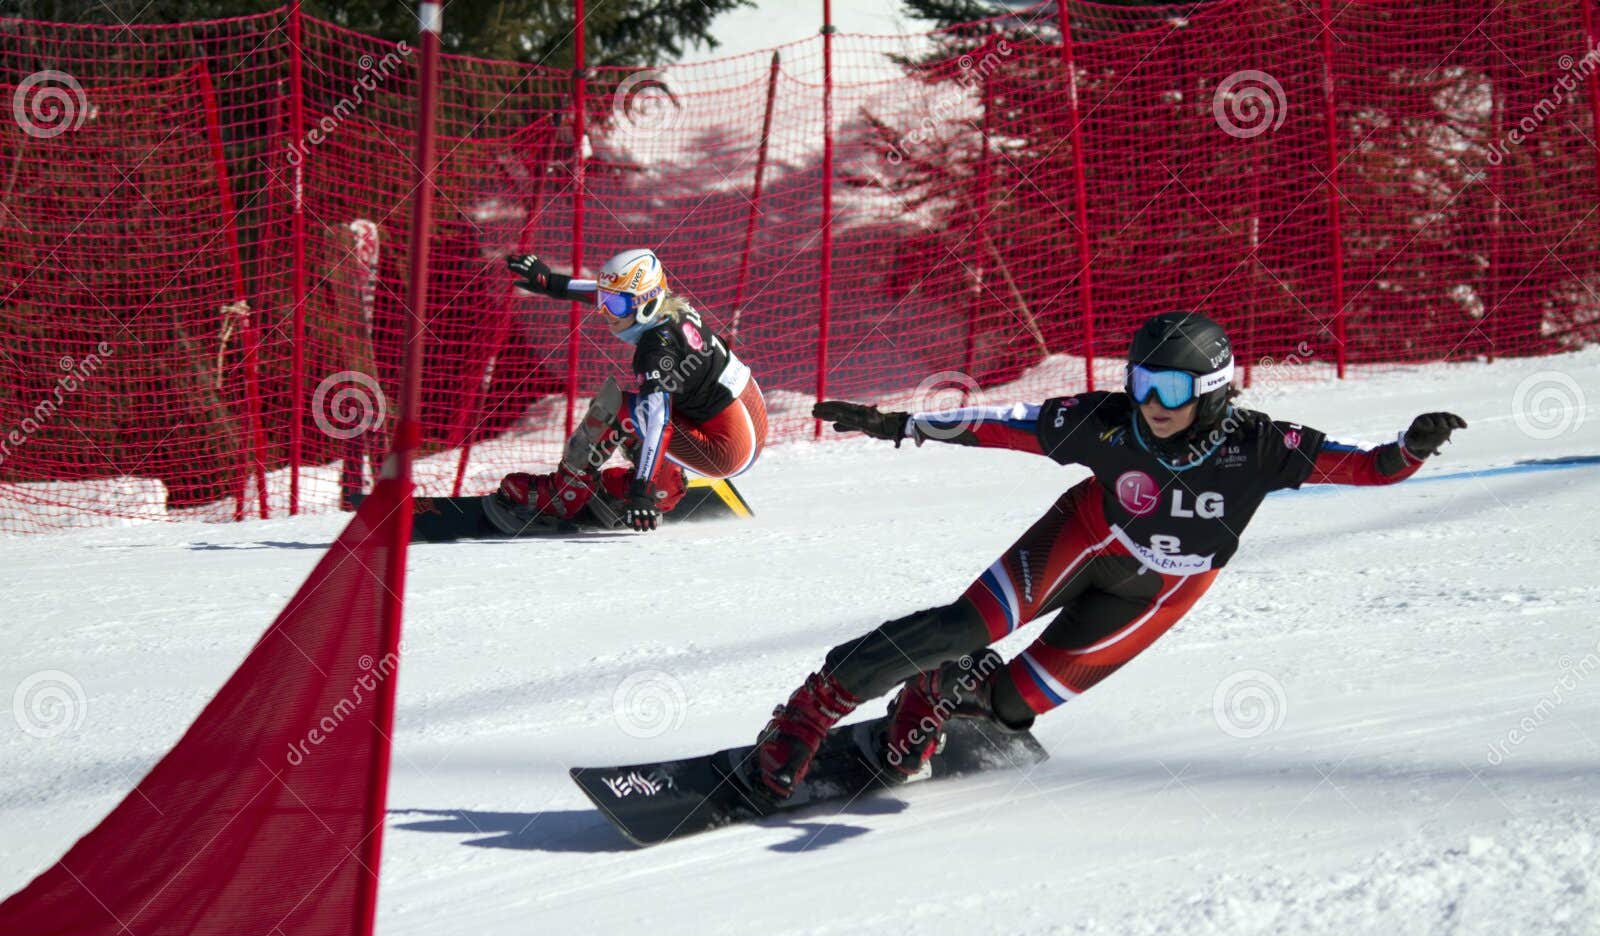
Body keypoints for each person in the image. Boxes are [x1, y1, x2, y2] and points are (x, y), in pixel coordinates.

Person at [753, 310, 1468, 799]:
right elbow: (1006, 425)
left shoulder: (1259, 446)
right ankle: (813, 708)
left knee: (1008, 707)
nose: (1151, 402)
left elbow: (1368, 468)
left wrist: (1408, 450)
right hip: (1087, 539)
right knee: (960, 626)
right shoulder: (1108, 422)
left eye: (1172, 389)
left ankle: (945, 688)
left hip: (1163, 591)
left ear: (1214, 393)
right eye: (1142, 381)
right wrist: (900, 423)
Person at [500, 247, 768, 531]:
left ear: (645, 304)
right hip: (744, 415)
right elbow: (608, 293)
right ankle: (665, 488)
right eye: (604, 302)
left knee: (620, 407)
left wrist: (643, 493)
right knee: (649, 406)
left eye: (613, 307)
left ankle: (563, 495)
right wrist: (553, 282)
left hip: (724, 448)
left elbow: (658, 424)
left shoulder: (655, 350)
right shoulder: (667, 307)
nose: (605, 313)